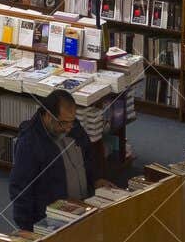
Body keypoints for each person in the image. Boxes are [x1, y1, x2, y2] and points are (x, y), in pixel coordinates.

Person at [8, 89, 111, 230]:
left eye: (72, 122)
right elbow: (20, 188)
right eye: (64, 123)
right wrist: (27, 228)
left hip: (81, 209)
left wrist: (96, 178)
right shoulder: (29, 143)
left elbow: (88, 155)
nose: (69, 128)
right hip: (52, 220)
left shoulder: (71, 125)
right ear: (49, 116)